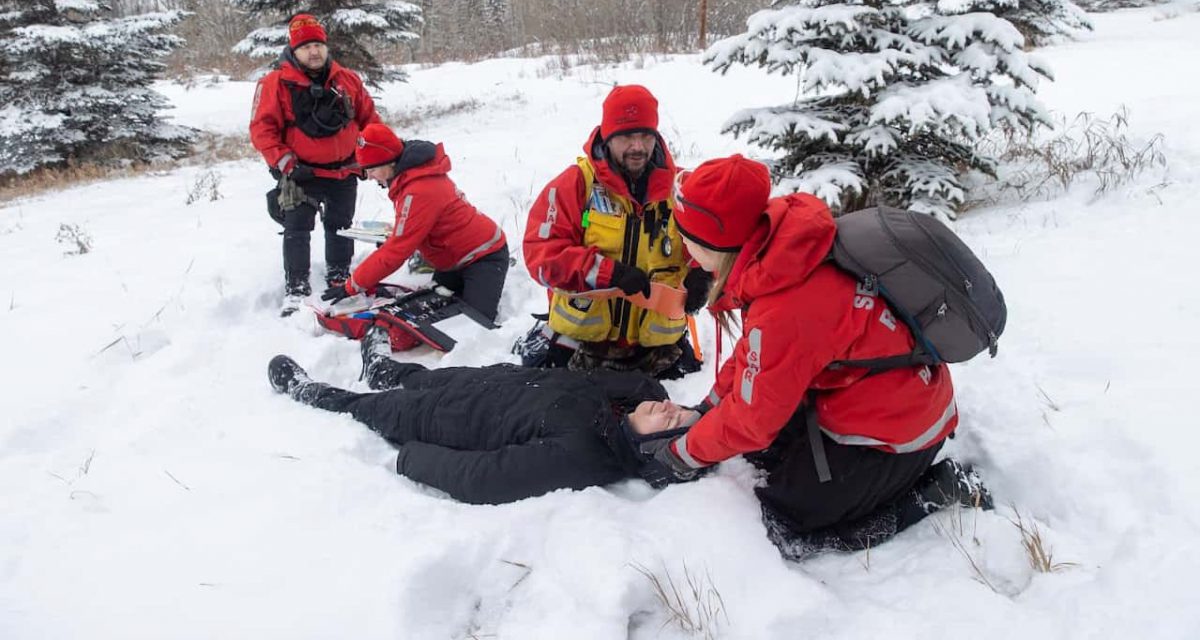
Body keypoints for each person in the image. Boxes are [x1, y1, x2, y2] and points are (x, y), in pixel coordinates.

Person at [638, 155, 992, 558]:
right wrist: (709, 407)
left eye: (687, 238)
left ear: (712, 242)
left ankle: (938, 491)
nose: (683, 248)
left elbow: (754, 419)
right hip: (884, 401)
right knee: (763, 452)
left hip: (896, 436)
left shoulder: (786, 306)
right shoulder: (781, 251)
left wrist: (680, 456)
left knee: (790, 519)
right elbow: (756, 356)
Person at [265, 340, 700, 504]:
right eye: (678, 409)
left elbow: (482, 480)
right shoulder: (625, 409)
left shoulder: (584, 456)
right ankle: (383, 367)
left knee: (366, 407)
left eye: (670, 422)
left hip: (446, 420)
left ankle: (308, 391)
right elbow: (634, 384)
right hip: (487, 382)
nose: (668, 410)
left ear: (652, 452)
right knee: (419, 376)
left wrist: (412, 457)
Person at [521, 84, 711, 377]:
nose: (637, 146)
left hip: (660, 354)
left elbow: (720, 246)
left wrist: (704, 274)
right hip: (581, 347)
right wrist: (609, 274)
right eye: (626, 136)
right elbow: (541, 257)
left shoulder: (683, 190)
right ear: (607, 136)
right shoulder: (576, 184)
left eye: (645, 135)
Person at [250, 13, 381, 316]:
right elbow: (262, 130)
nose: (314, 52)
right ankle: (296, 288)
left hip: (344, 170)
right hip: (301, 173)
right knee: (297, 228)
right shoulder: (274, 84)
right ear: (293, 50)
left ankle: (338, 277)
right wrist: (286, 164)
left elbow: (370, 122)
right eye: (306, 46)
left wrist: (375, 157)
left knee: (341, 227)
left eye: (318, 45)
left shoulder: (347, 79)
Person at [320, 123, 509, 323]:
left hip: (484, 257)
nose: (369, 176)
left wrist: (353, 285)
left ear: (389, 162)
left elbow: (396, 251)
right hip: (452, 261)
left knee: (473, 323)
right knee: (431, 308)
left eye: (372, 169)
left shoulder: (418, 189)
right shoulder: (409, 177)